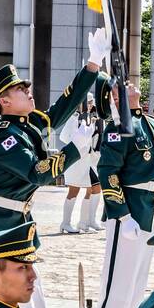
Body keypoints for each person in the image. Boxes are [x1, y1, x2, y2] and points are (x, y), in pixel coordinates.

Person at [0, 29, 109, 308]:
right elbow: (37, 172)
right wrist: (75, 150)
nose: (28, 91)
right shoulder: (5, 136)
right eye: (20, 89)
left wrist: (92, 65)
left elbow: (61, 109)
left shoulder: (25, 126)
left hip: (16, 225)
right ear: (4, 101)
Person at [91, 78, 154, 308]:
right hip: (130, 210)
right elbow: (107, 172)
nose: (132, 84)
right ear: (111, 96)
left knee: (134, 290)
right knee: (116, 288)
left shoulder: (147, 122)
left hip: (147, 210)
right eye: (123, 84)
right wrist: (122, 214)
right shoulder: (117, 124)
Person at [58, 93, 102, 234]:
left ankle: (84, 222)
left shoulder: (92, 119)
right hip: (76, 160)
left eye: (90, 102)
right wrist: (78, 137)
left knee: (93, 189)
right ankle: (65, 223)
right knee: (74, 191)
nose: (89, 105)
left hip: (89, 160)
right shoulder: (73, 119)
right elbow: (64, 137)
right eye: (86, 102)